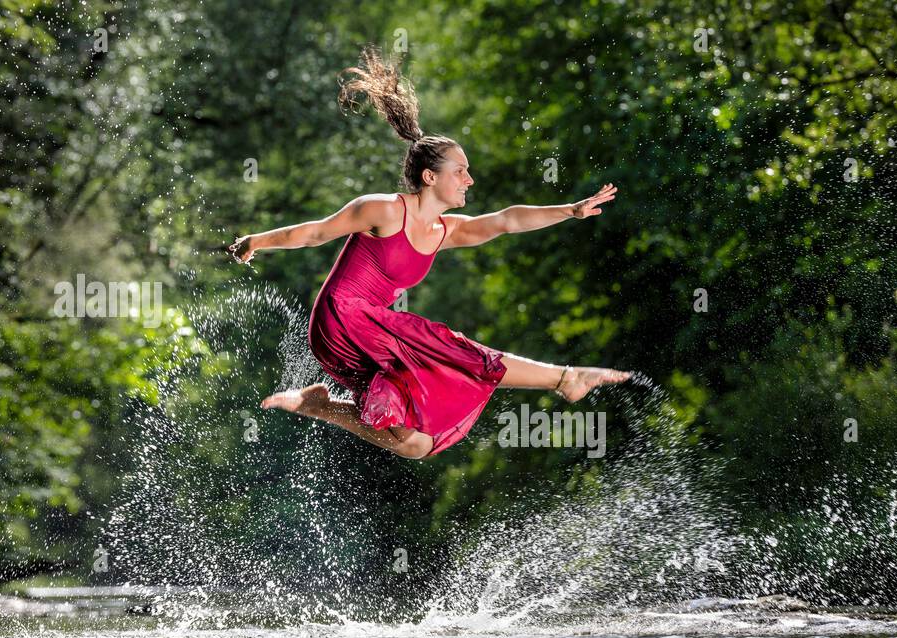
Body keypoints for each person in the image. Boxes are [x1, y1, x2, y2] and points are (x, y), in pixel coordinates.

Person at [228, 46, 631, 459]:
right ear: (429, 176)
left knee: (417, 444)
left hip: (375, 332)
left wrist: (570, 210)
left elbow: (508, 220)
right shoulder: (383, 209)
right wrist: (258, 240)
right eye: (460, 171)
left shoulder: (445, 231)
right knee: (453, 351)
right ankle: (564, 378)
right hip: (343, 320)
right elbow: (315, 233)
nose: (469, 180)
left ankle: (320, 406)